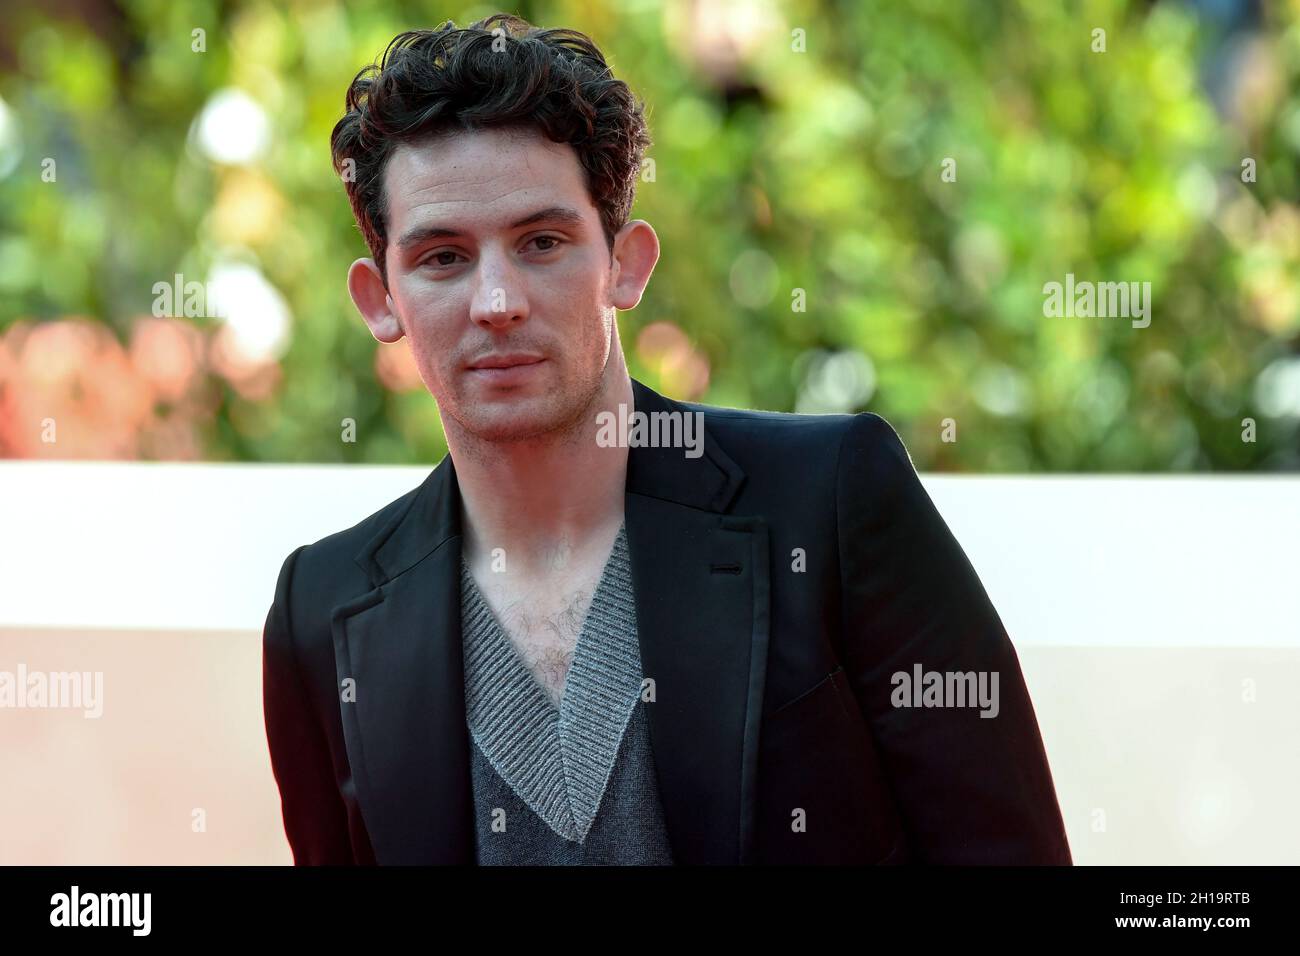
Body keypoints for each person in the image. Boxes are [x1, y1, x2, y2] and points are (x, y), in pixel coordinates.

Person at [261, 13, 1072, 865]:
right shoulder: (324, 608)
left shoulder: (829, 502)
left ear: (627, 263)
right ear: (378, 298)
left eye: (542, 243)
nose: (496, 302)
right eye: (442, 258)